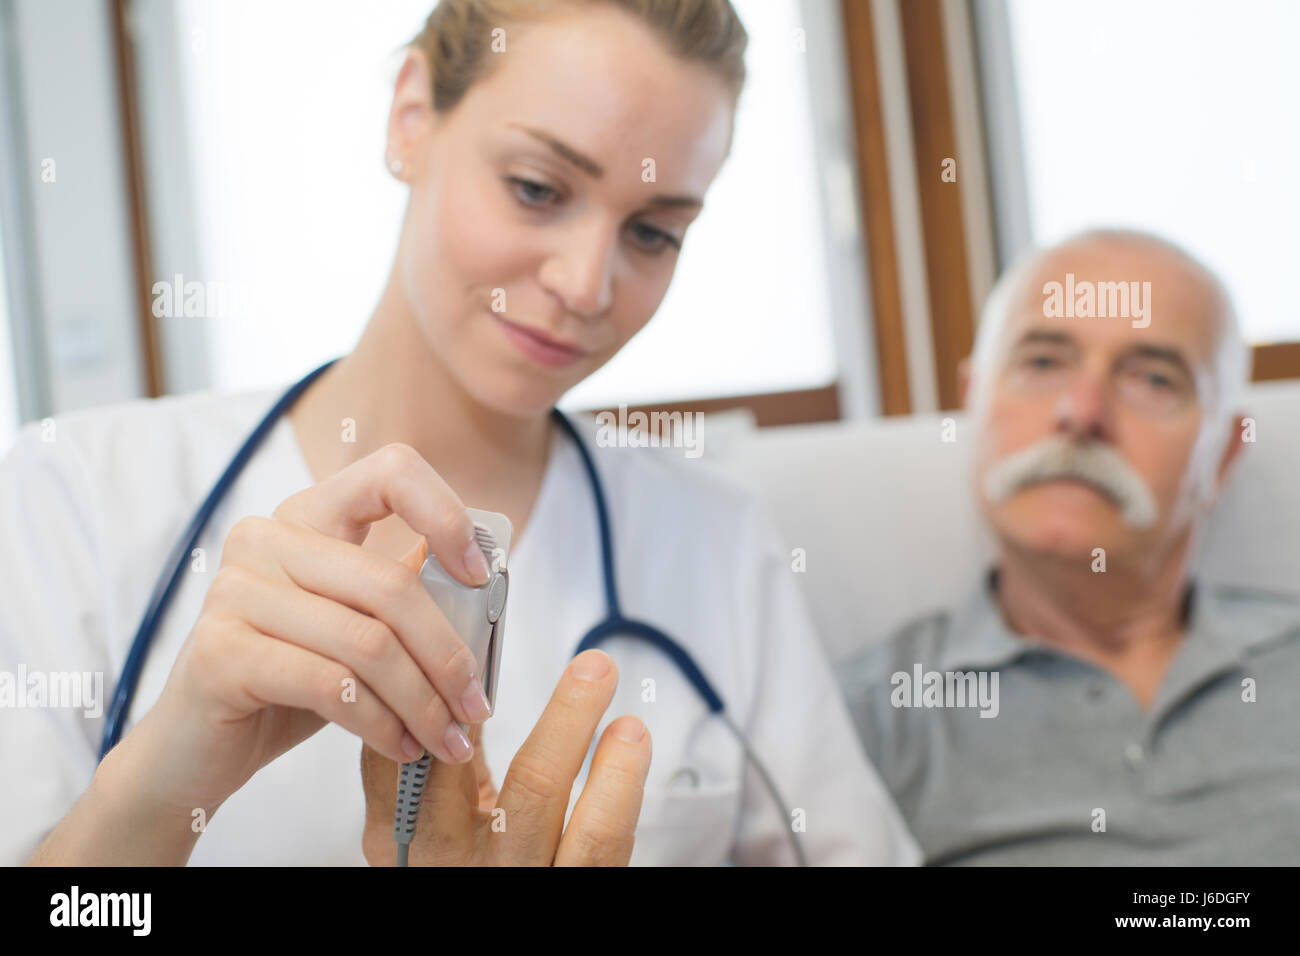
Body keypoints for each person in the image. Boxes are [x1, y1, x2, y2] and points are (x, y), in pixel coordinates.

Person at [1, 0, 918, 866]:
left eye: (651, 233)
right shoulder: (73, 494)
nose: (586, 283)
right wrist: (164, 781)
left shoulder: (714, 540)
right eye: (536, 187)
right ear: (410, 119)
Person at [838, 228, 1300, 865]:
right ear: (975, 402)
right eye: (1043, 362)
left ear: (1222, 456)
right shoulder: (863, 720)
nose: (1082, 413)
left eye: (1153, 379)